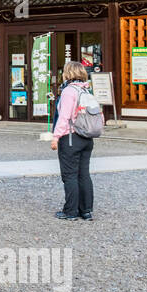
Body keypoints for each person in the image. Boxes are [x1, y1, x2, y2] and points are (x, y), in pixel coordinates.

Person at [50, 60, 94, 221]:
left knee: (69, 175)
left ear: (68, 74)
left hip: (70, 137)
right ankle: (86, 210)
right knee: (83, 174)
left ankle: (71, 211)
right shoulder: (87, 90)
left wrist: (56, 137)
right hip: (86, 137)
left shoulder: (69, 92)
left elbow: (64, 117)